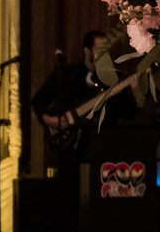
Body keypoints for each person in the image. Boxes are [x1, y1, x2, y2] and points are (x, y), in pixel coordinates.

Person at [32, 31, 106, 163]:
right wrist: (48, 119)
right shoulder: (67, 73)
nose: (104, 54)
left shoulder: (108, 79)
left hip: (101, 149)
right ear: (87, 51)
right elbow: (38, 100)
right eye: (99, 49)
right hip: (69, 151)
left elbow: (127, 112)